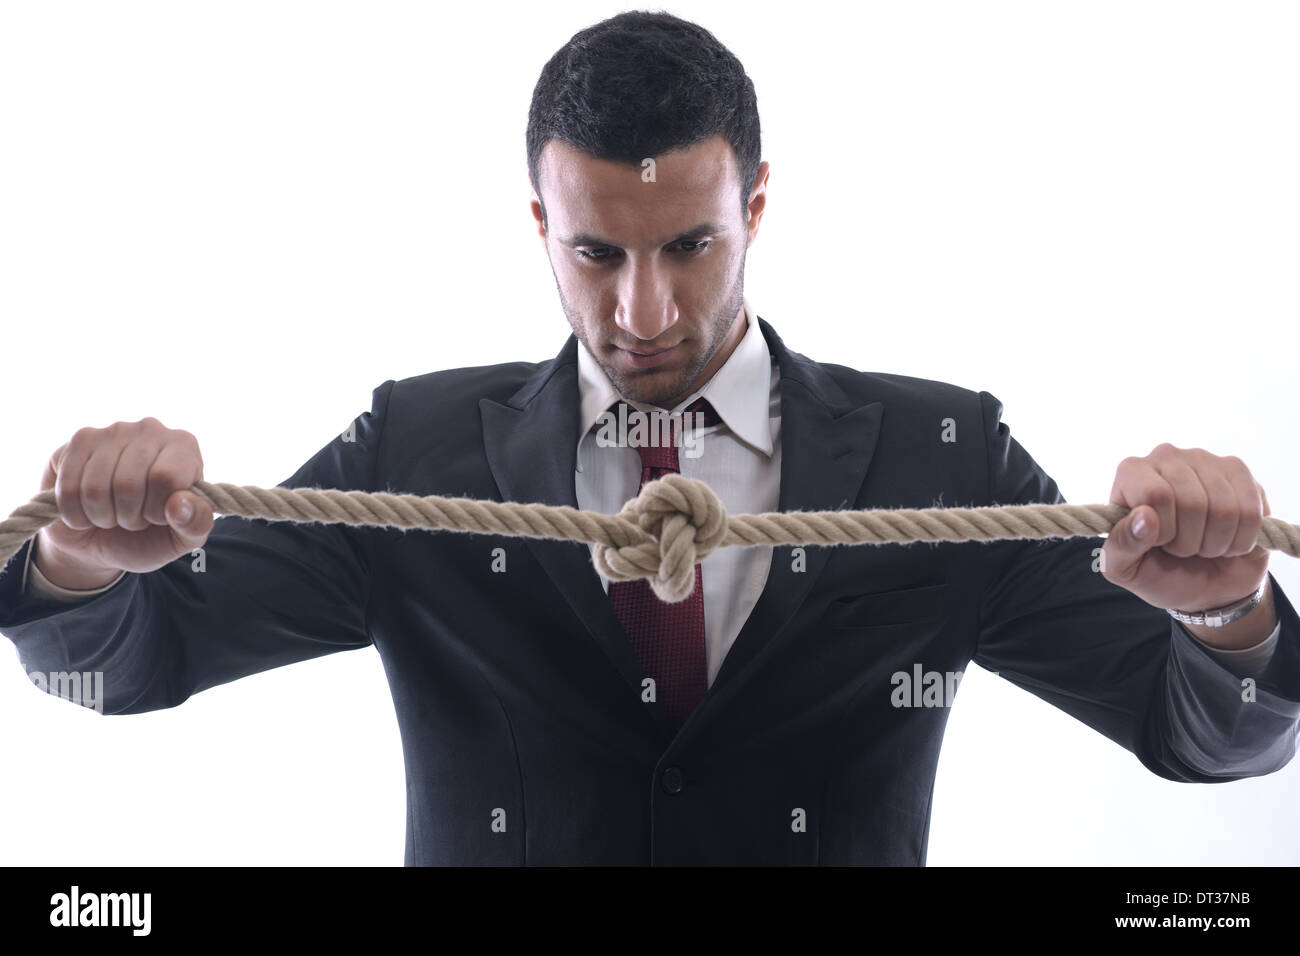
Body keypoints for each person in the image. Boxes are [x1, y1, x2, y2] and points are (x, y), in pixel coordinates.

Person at [1, 10, 1296, 866]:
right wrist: (77, 563)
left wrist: (1228, 613)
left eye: (690, 246)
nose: (643, 311)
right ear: (537, 223)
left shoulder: (937, 459)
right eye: (594, 252)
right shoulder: (419, 446)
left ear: (759, 204)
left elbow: (1202, 736)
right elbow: (127, 669)